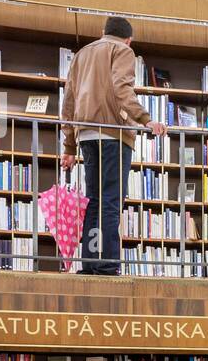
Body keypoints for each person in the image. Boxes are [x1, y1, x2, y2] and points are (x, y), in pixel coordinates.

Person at [59, 16, 167, 275]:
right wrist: (146, 119)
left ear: (102, 32)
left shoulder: (82, 54)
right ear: (129, 39)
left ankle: (90, 264)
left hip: (85, 134)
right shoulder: (123, 51)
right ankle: (107, 265)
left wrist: (70, 147)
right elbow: (122, 89)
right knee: (110, 201)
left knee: (93, 201)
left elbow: (69, 100)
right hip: (113, 134)